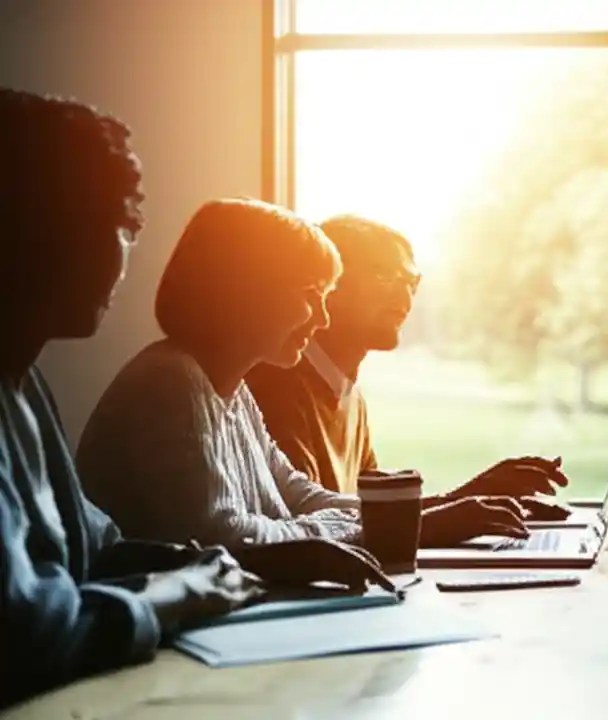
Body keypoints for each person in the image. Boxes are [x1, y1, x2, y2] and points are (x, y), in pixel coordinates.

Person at [0, 89, 386, 707]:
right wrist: (180, 590)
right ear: (38, 227)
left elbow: (99, 542)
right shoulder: (168, 381)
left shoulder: (27, 382)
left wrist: (217, 564)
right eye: (118, 227)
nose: (122, 254)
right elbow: (30, 631)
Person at [76, 199, 531, 549]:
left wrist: (430, 515)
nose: (322, 319)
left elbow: (299, 497)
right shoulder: (172, 383)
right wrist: (399, 530)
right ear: (248, 290)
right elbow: (224, 538)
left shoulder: (231, 390)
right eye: (310, 294)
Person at [244, 214, 571, 526]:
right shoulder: (278, 387)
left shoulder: (347, 393)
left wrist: (479, 501)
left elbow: (373, 514)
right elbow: (316, 527)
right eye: (384, 277)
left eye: (411, 282)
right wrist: (464, 500)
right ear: (330, 285)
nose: (405, 297)